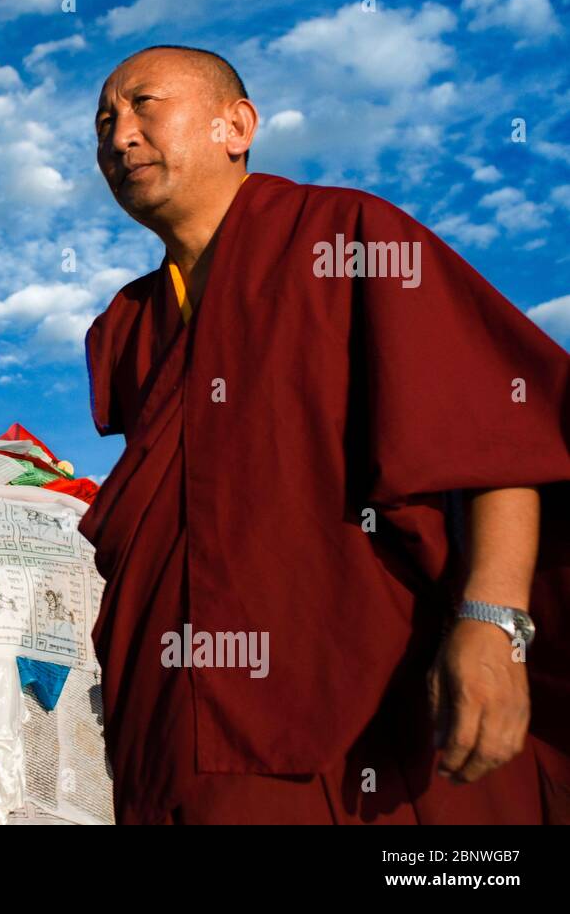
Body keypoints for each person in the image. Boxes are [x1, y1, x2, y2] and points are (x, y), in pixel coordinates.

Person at [80, 45, 570, 824]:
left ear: (235, 125)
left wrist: (495, 624)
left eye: (145, 104)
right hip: (174, 736)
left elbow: (498, 434)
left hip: (362, 724)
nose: (119, 134)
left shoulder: (346, 235)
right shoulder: (130, 325)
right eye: (105, 120)